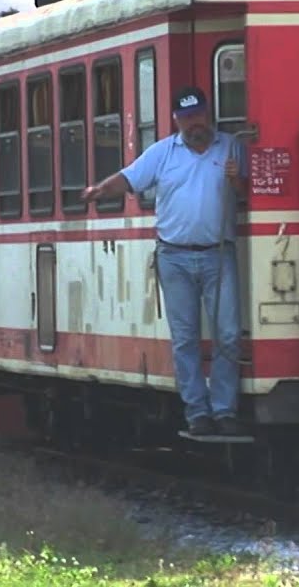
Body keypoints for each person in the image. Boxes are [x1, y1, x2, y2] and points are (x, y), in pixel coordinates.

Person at [80, 86, 248, 436]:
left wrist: (237, 181)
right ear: (177, 120)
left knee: (228, 335)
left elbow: (250, 192)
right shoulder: (163, 152)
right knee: (185, 338)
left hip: (218, 252)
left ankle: (224, 409)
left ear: (208, 115)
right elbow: (129, 178)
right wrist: (100, 190)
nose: (193, 124)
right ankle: (198, 413)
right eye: (186, 118)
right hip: (174, 257)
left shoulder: (232, 148)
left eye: (198, 116)